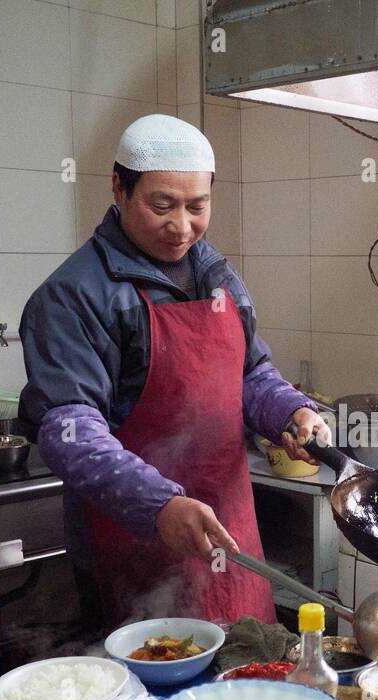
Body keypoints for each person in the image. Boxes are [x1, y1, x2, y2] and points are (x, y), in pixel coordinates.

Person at [18, 114, 329, 627]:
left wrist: (291, 410)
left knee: (248, 683)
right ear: (120, 187)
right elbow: (68, 430)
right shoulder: (74, 296)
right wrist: (158, 504)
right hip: (133, 545)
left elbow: (250, 373)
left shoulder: (217, 275)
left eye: (197, 206)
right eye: (161, 205)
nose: (181, 225)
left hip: (229, 535)